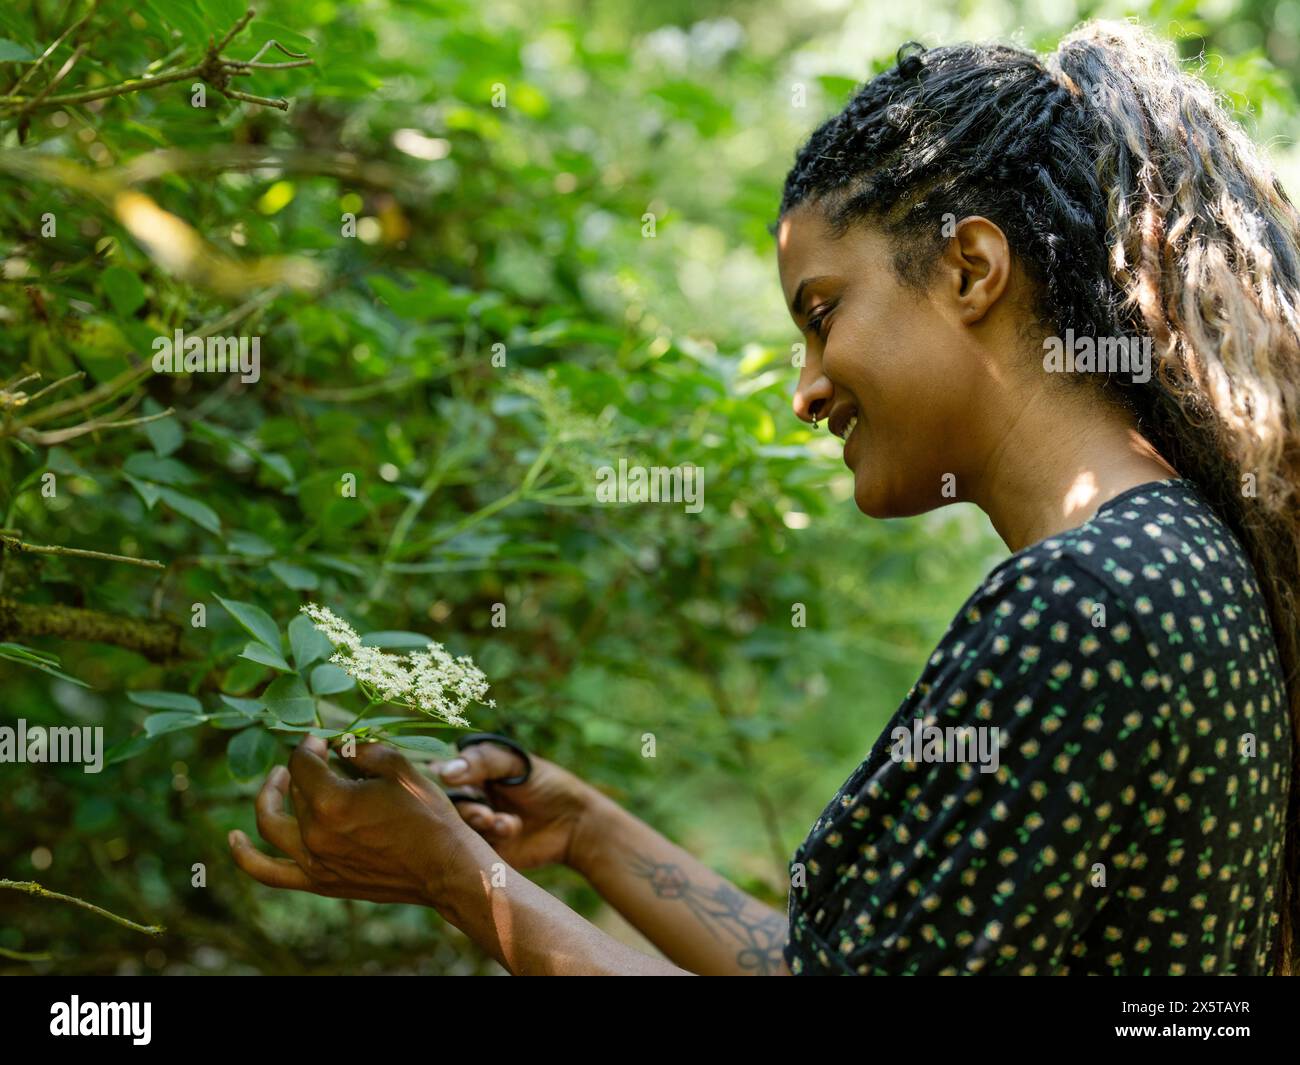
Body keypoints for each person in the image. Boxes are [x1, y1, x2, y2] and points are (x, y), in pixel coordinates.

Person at [230, 19, 1300, 976]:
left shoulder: (1075, 608)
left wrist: (455, 877)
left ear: (971, 268)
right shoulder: (1173, 559)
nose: (805, 391)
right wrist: (585, 829)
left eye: (822, 314)